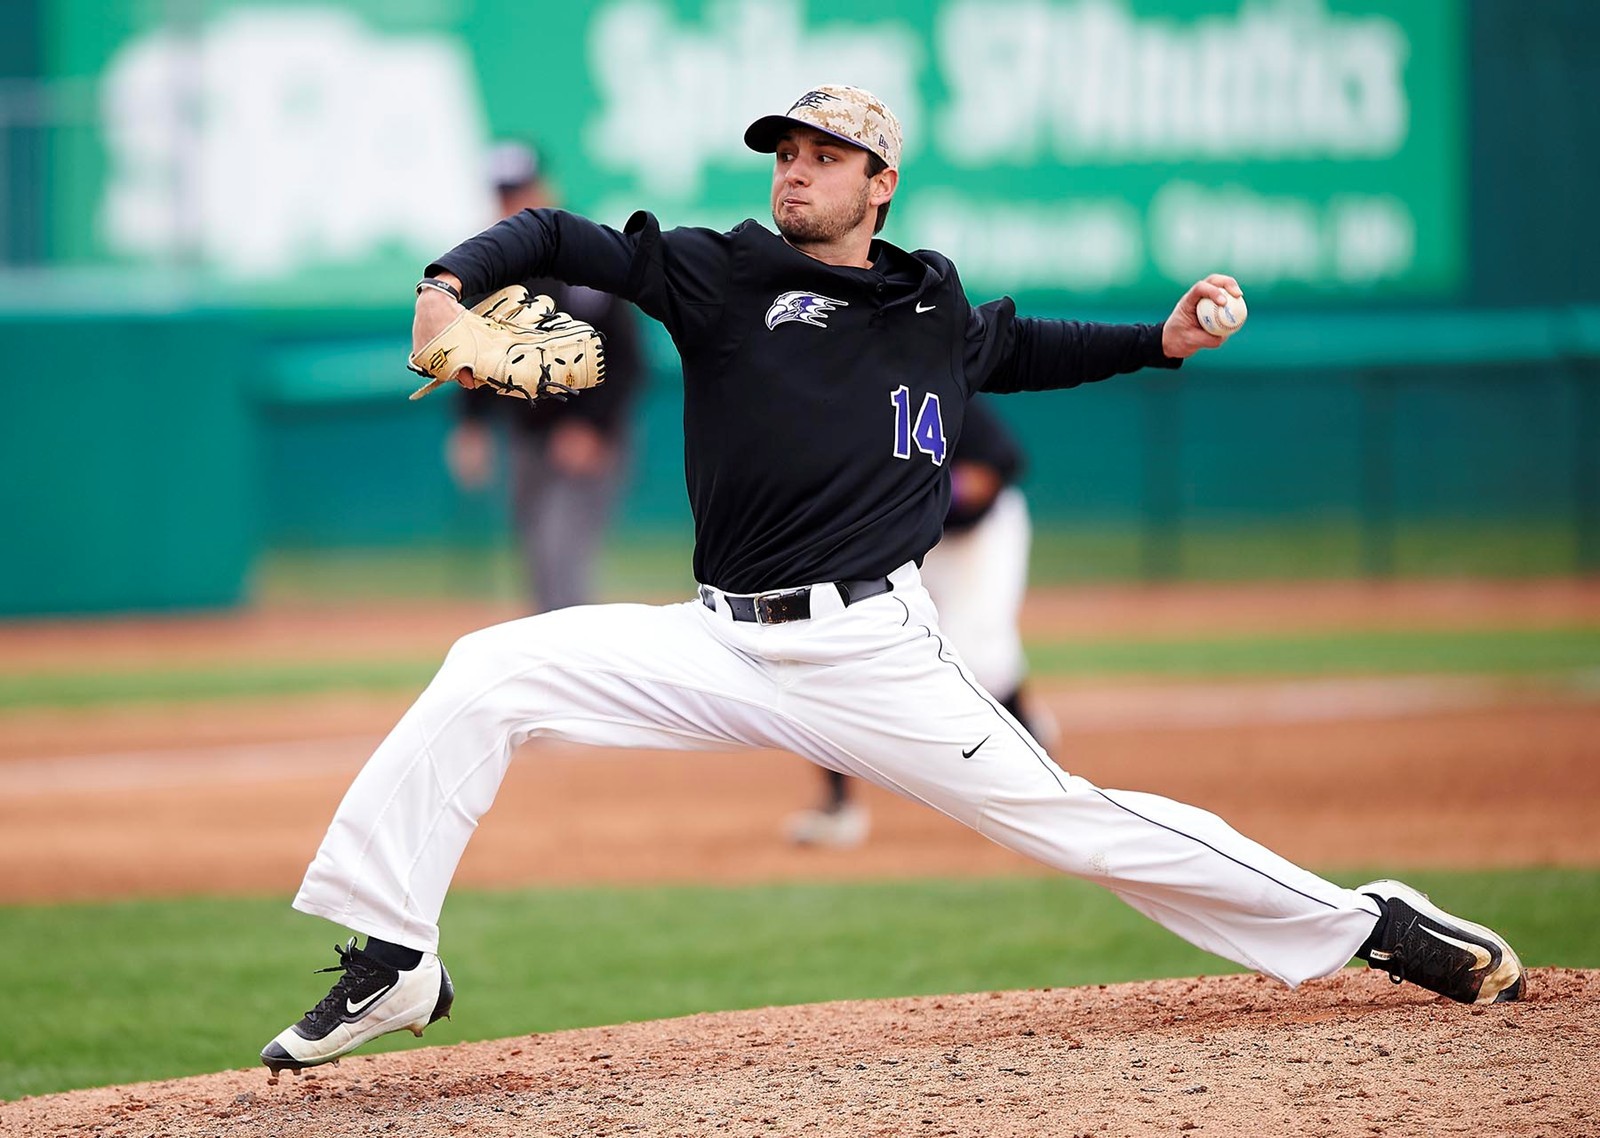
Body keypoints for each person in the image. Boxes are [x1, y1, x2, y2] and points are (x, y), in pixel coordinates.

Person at [262, 85, 1524, 1075]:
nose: (793, 169)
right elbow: (547, 231)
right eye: (783, 151)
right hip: (717, 642)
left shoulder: (928, 304)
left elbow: (1017, 346)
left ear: (879, 182)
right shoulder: (720, 273)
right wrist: (445, 290)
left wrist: (1159, 340)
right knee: (488, 668)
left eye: (821, 153)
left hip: (874, 654)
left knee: (1076, 822)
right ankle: (397, 952)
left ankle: (1366, 920)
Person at [784, 396, 1055, 848]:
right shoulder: (831, 405)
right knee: (834, 648)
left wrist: (928, 496)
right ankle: (837, 806)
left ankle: (1036, 764)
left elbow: (999, 466)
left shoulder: (928, 385)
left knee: (980, 658)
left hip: (976, 536)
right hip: (904, 538)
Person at [447, 140, 645, 613]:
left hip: (585, 443)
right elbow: (473, 351)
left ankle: (582, 678)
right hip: (527, 440)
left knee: (561, 563)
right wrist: (470, 424)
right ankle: (553, 678)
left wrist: (592, 426)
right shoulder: (494, 267)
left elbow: (629, 361)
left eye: (520, 191)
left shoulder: (584, 258)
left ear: (545, 189)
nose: (511, 205)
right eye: (503, 195)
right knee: (539, 569)